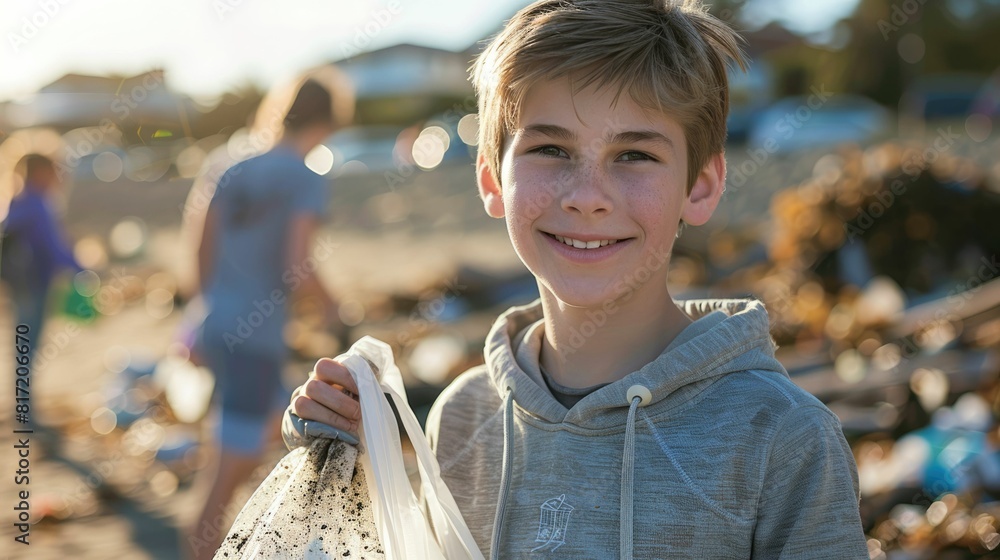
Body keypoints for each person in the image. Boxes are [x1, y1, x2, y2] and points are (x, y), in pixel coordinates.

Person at [285, 0, 869, 557]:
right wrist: (358, 468)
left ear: (701, 186)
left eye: (635, 156)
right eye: (550, 150)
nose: (588, 197)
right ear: (492, 181)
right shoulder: (462, 419)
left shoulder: (782, 438)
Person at [185, 78, 348, 560]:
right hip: (254, 337)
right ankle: (198, 547)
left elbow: (199, 250)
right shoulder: (303, 176)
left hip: (216, 324)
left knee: (250, 442)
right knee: (229, 469)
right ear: (326, 122)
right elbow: (297, 267)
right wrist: (335, 310)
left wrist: (204, 311)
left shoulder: (229, 164)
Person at [1, 154, 82, 359]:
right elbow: (53, 247)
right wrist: (81, 270)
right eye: (53, 172)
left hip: (18, 282)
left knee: (23, 339)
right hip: (34, 281)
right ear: (40, 173)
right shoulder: (38, 206)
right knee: (29, 340)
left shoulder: (16, 201)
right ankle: (24, 390)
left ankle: (22, 389)